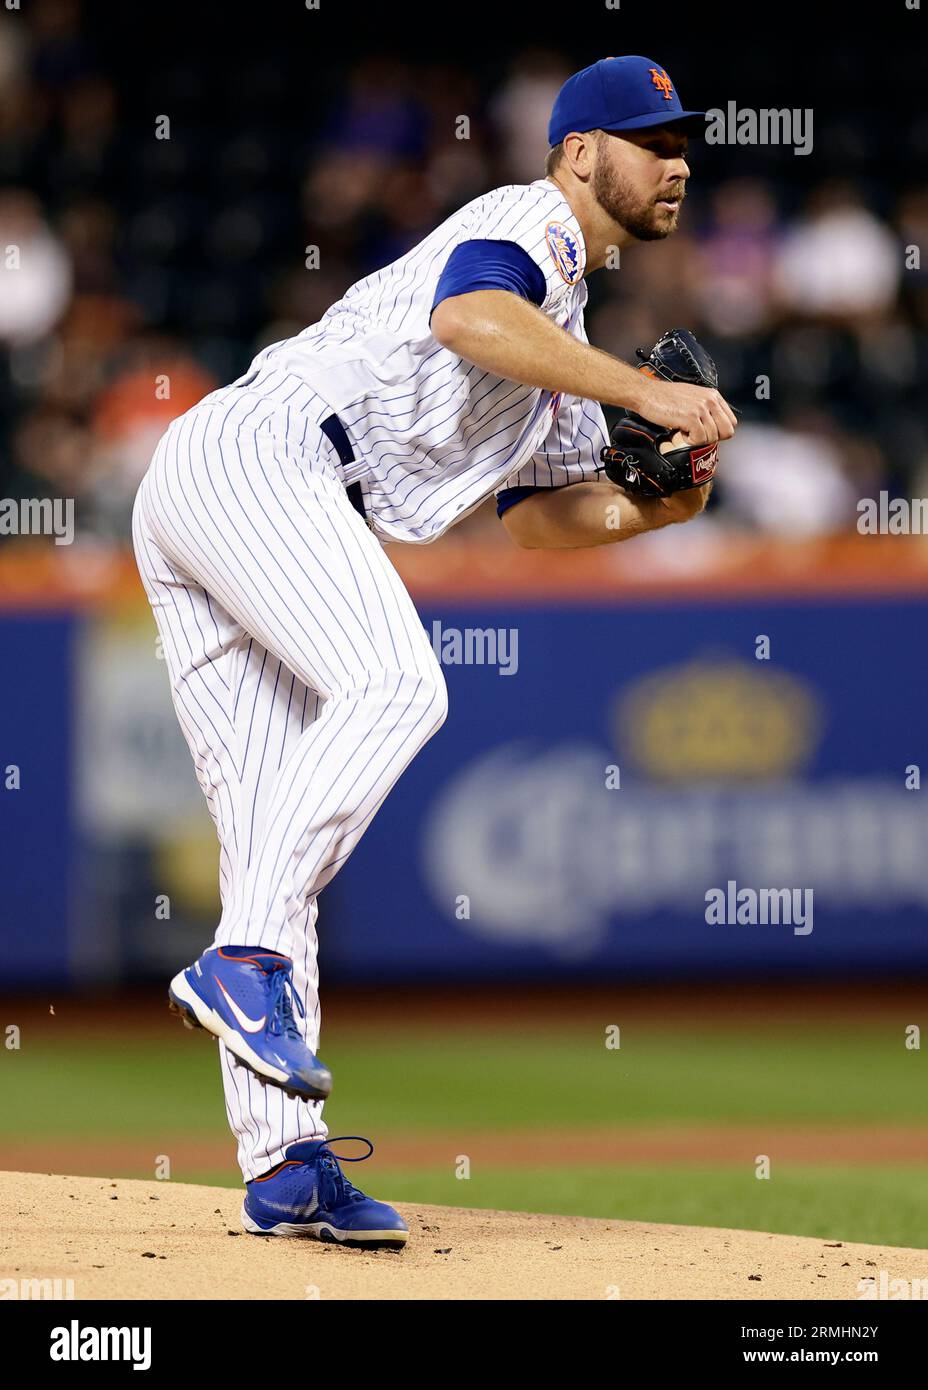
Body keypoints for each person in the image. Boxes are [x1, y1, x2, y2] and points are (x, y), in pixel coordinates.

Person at [132, 55, 736, 1249]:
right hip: (263, 457)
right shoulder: (531, 226)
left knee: (268, 835)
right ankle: (240, 958)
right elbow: (469, 315)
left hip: (231, 494)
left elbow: (538, 518)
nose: (675, 165)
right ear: (578, 153)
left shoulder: (555, 354)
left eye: (683, 145)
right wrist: (647, 393)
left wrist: (655, 509)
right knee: (397, 682)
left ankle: (284, 1165)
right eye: (651, 140)